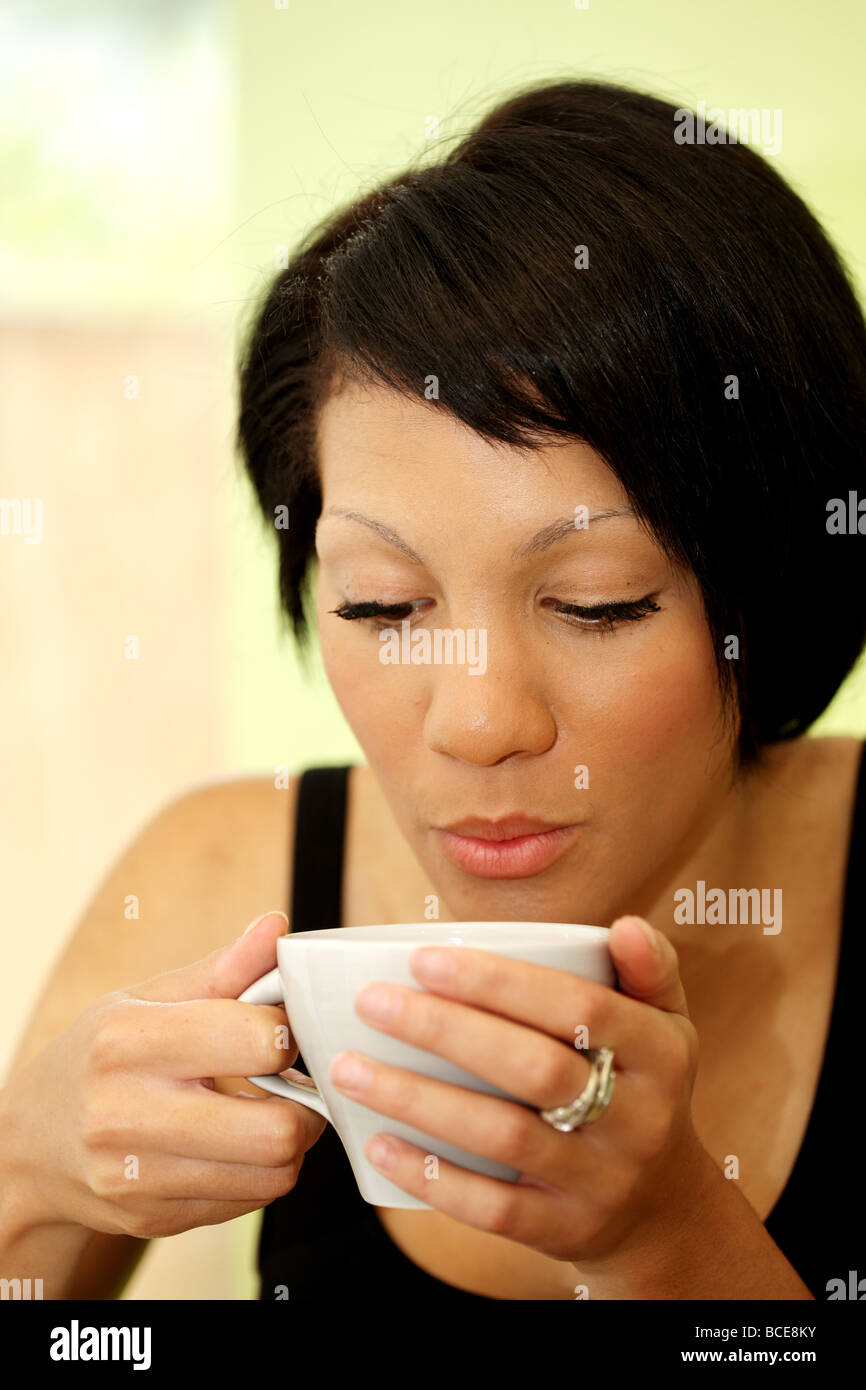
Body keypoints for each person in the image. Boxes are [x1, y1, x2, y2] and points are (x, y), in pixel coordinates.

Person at [2, 77, 865, 1301]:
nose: (473, 722)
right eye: (381, 606)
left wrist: (666, 1240)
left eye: (595, 602)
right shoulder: (221, 881)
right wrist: (26, 1178)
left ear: (768, 586)